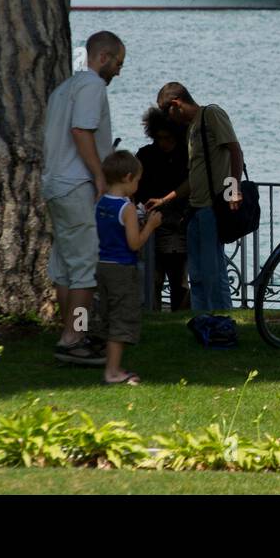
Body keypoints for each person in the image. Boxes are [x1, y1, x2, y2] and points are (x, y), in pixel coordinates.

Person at [40, 30, 124, 366]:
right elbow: (81, 131)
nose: (119, 70)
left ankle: (74, 333)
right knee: (85, 267)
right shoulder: (92, 86)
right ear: (102, 57)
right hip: (77, 185)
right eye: (118, 62)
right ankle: (73, 337)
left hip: (56, 184)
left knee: (65, 267)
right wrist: (100, 176)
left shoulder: (64, 89)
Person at [146, 82, 243, 313]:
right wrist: (165, 200)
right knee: (197, 274)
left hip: (211, 208)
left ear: (176, 104)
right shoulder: (191, 129)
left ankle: (221, 317)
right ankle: (202, 319)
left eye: (168, 113)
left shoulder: (212, 114)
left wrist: (233, 189)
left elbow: (235, 150)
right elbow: (195, 177)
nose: (169, 121)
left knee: (213, 269)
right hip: (195, 210)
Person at [93, 150, 163, 385]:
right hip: (122, 268)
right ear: (127, 177)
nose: (138, 185)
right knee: (121, 318)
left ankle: (110, 365)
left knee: (108, 314)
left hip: (103, 265)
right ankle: (112, 372)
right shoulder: (127, 208)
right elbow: (134, 244)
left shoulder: (101, 202)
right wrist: (150, 225)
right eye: (137, 180)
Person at [135, 107, 191, 311]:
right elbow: (136, 188)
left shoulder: (186, 155)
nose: (163, 143)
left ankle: (178, 316)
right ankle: (152, 312)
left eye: (168, 138)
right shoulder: (145, 155)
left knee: (179, 281)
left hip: (177, 224)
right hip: (151, 222)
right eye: (159, 138)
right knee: (152, 278)